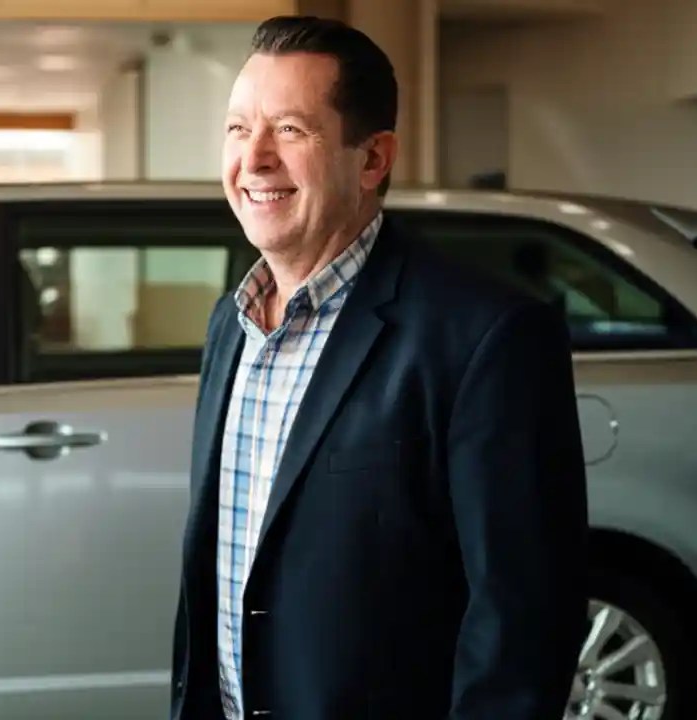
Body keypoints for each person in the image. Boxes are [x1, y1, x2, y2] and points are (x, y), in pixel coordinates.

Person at [170, 15, 588, 720]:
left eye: (292, 130)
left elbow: (524, 619)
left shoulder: (486, 336)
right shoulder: (230, 322)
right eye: (239, 129)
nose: (256, 158)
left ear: (372, 159)